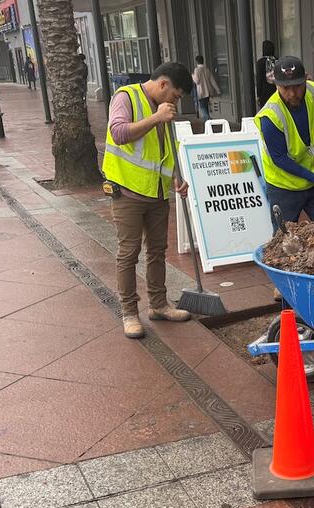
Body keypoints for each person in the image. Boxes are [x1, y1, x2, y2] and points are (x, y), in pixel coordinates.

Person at [103, 62, 194, 338]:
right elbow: (118, 134)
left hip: (156, 192)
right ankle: (129, 313)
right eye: (176, 95)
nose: (176, 102)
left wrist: (176, 176)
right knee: (129, 253)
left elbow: (164, 148)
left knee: (157, 251)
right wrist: (156, 118)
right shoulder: (126, 97)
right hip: (127, 192)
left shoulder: (163, 109)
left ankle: (158, 304)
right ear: (163, 84)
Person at [255, 56, 314, 227]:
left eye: (298, 87)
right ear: (276, 84)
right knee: (284, 242)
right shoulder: (270, 117)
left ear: (306, 79)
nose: (292, 93)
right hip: (284, 186)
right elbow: (279, 158)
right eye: (285, 88)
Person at [191, 55, 219, 122]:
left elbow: (197, 81)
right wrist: (217, 90)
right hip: (208, 91)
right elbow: (212, 80)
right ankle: (207, 122)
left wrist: (192, 76)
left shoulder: (197, 70)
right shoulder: (207, 69)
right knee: (206, 106)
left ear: (196, 62)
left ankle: (208, 119)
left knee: (202, 107)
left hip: (201, 92)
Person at [255, 40, 276, 108]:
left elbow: (259, 79)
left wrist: (258, 95)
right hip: (276, 90)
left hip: (265, 92)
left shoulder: (260, 62)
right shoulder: (277, 60)